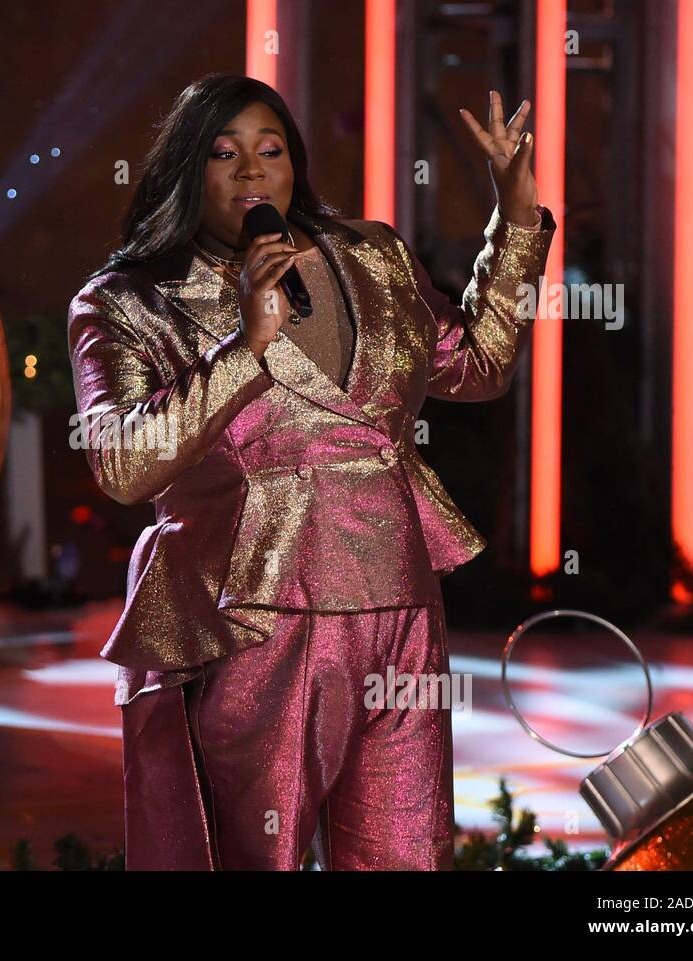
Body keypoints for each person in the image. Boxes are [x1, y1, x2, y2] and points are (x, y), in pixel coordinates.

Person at [67, 74, 556, 870]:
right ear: (188, 171)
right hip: (253, 616)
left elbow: (481, 363)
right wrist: (243, 349)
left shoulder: (373, 257)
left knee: (404, 855)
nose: (254, 171)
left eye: (272, 149)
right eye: (225, 154)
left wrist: (517, 217)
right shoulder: (130, 301)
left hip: (397, 604)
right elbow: (122, 465)